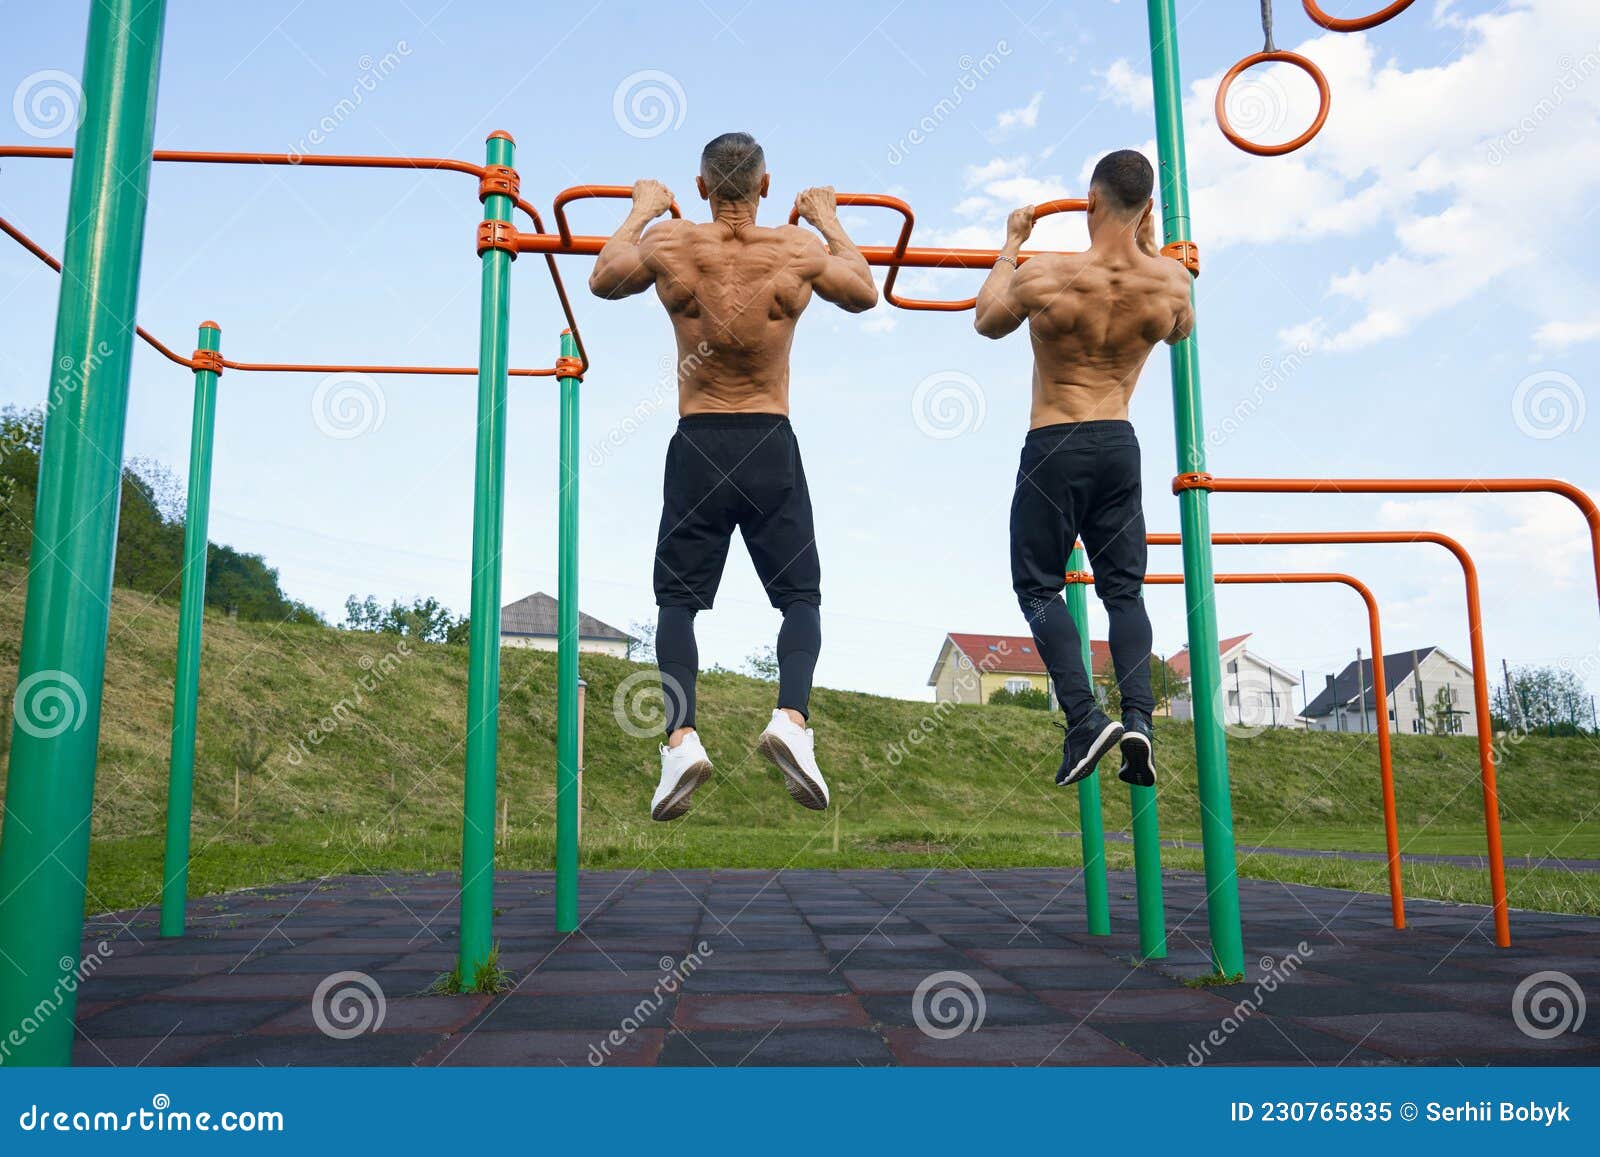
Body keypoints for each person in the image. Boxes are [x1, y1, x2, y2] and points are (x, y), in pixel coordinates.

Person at [589, 132, 879, 821]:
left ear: (700, 188)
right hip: (768, 440)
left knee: (677, 601)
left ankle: (680, 739)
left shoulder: (670, 242)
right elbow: (864, 291)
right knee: (799, 597)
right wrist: (827, 218)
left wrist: (641, 209)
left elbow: (603, 278)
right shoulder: (797, 248)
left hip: (700, 441)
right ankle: (792, 719)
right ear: (766, 186)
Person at [972, 149, 1194, 789]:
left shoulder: (1046, 273)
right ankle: (1139, 720)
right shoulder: (1171, 284)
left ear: (1090, 201)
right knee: (1123, 593)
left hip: (1055, 443)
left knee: (1038, 586)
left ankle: (1083, 718)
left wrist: (1012, 243)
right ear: (1146, 210)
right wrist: (1150, 251)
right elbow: (1180, 333)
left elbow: (986, 321)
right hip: (1118, 443)